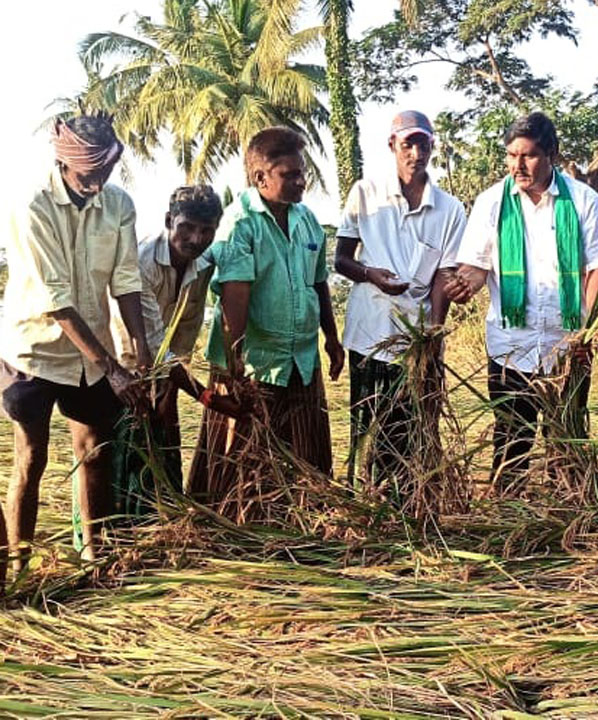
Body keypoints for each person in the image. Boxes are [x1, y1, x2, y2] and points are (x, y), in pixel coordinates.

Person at [1, 113, 152, 562]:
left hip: (90, 357)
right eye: (90, 172)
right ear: (64, 161)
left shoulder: (119, 204)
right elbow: (55, 298)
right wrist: (113, 368)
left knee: (95, 453)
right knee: (32, 458)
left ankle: (95, 557)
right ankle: (19, 562)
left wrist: (140, 353)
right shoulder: (31, 204)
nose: (98, 181)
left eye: (106, 170)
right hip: (34, 350)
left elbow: (126, 280)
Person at [445, 112, 598, 494]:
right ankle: (509, 515)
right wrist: (463, 286)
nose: (517, 165)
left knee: (566, 441)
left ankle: (569, 513)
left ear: (552, 154)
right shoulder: (491, 202)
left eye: (529, 156)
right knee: (511, 441)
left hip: (568, 345)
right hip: (511, 346)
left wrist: (585, 331)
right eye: (511, 155)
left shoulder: (584, 200)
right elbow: (475, 266)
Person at [188, 127, 344, 514]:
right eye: (289, 174)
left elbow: (318, 282)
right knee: (243, 464)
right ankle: (235, 530)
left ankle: (304, 527)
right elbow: (234, 302)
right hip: (255, 364)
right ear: (261, 178)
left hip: (303, 359)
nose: (301, 181)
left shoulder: (307, 220)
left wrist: (332, 338)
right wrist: (235, 369)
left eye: (301, 172)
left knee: (308, 461)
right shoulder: (240, 224)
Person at [334, 110, 467, 485]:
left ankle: (406, 500)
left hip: (416, 339)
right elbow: (342, 260)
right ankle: (364, 493)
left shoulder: (450, 209)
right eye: (407, 143)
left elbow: (445, 275)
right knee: (366, 420)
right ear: (392, 146)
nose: (415, 153)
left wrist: (434, 337)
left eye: (422, 144)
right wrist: (371, 275)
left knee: (412, 425)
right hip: (369, 332)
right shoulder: (365, 193)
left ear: (432, 147)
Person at [108, 185, 227, 508]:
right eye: (187, 227)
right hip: (122, 367)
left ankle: (162, 520)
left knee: (164, 445)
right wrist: (205, 396)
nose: (196, 239)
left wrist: (170, 391)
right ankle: (116, 534)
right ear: (168, 221)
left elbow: (184, 332)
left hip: (165, 368)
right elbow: (151, 343)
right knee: (123, 453)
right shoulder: (143, 260)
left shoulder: (202, 266)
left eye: (207, 231)